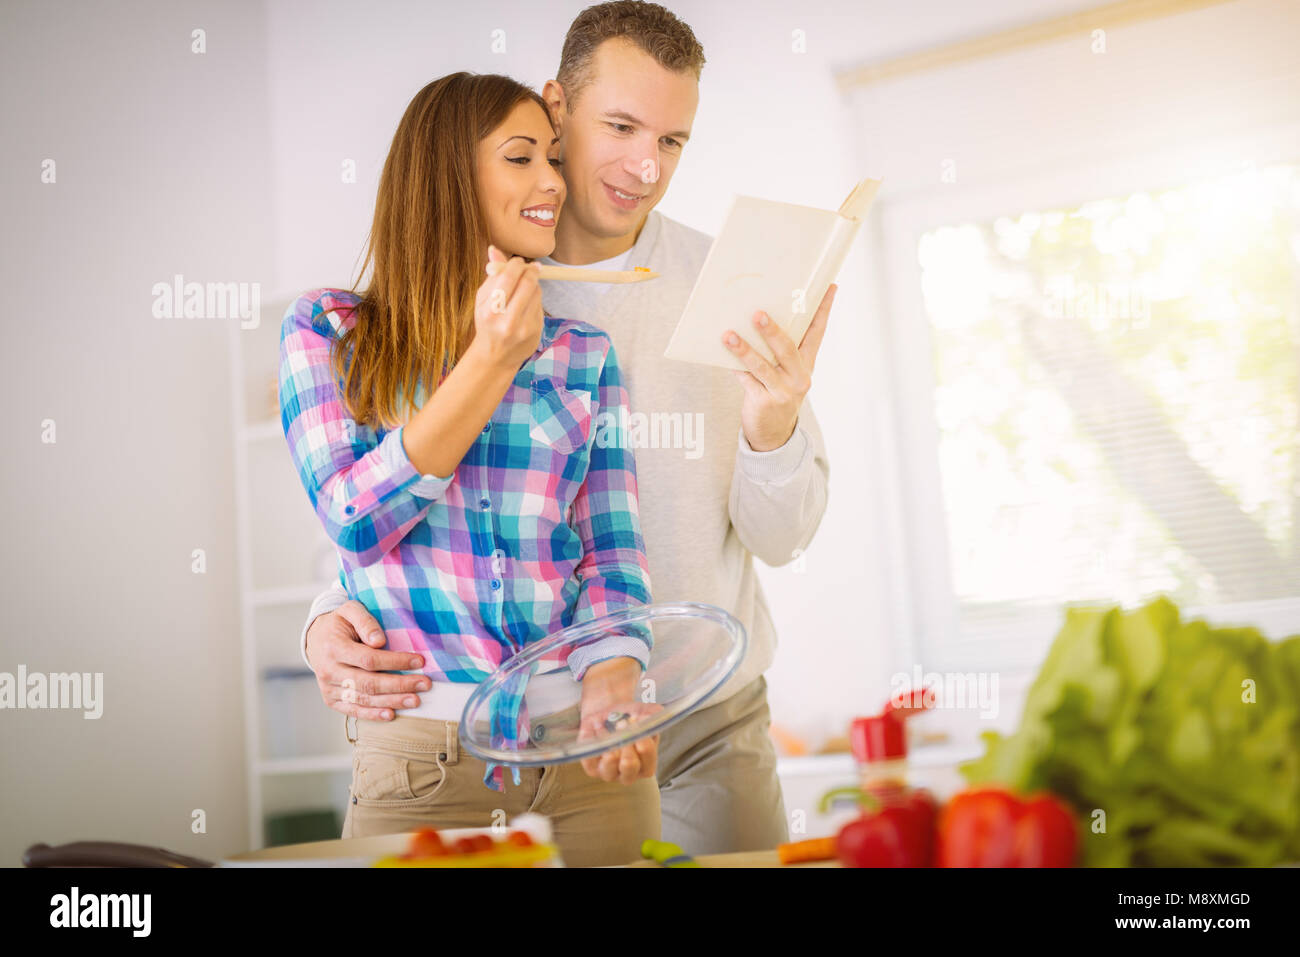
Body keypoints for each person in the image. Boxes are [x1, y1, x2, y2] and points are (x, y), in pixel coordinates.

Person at [300, 0, 833, 855]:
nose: (645, 166)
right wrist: (328, 613)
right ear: (554, 107)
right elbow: (388, 507)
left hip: (704, 715)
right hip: (525, 722)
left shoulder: (729, 281)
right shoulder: (450, 303)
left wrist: (771, 428)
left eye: (671, 141)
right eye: (620, 126)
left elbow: (783, 536)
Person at [278, 71, 661, 867]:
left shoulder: (583, 356)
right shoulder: (328, 331)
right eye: (522, 158)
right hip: (423, 766)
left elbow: (611, 553)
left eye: (554, 159)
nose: (552, 182)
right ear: (446, 176)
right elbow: (355, 518)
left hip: (589, 761)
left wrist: (615, 678)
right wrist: (490, 358)